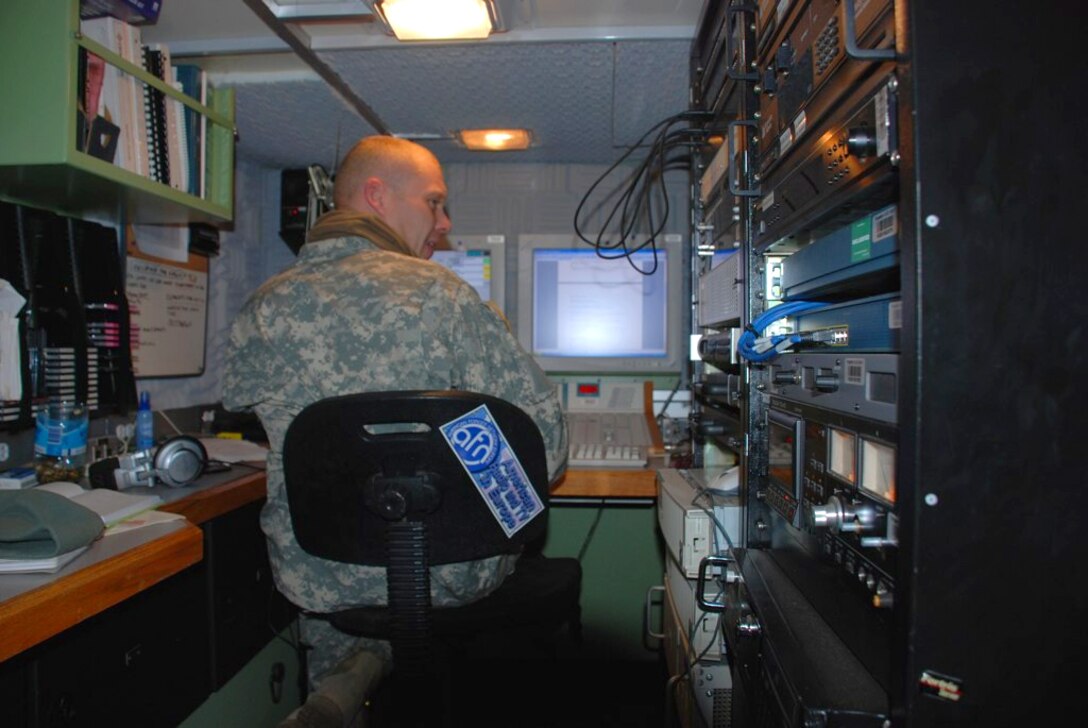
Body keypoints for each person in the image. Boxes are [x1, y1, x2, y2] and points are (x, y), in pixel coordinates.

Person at [221, 136, 567, 722]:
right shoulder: (446, 296)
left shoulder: (263, 306)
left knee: (347, 594)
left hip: (324, 573)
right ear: (376, 196)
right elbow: (545, 454)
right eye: (434, 203)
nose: (445, 222)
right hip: (452, 572)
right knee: (454, 571)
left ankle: (345, 681)